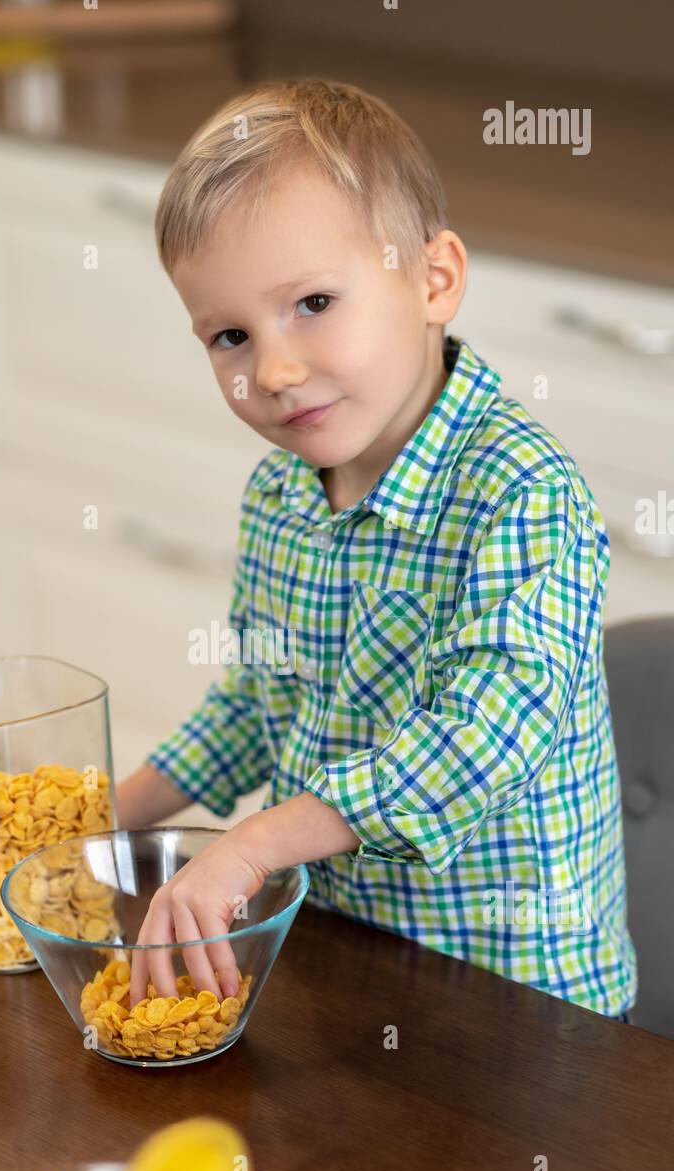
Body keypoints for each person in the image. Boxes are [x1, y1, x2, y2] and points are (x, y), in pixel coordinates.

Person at [114, 78, 636, 1022]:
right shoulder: (279, 494)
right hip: (345, 965)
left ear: (433, 280)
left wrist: (255, 844)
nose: (272, 371)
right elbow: (256, 704)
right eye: (230, 335)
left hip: (524, 1013)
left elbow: (481, 739)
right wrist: (111, 816)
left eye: (314, 301)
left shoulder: (522, 492)